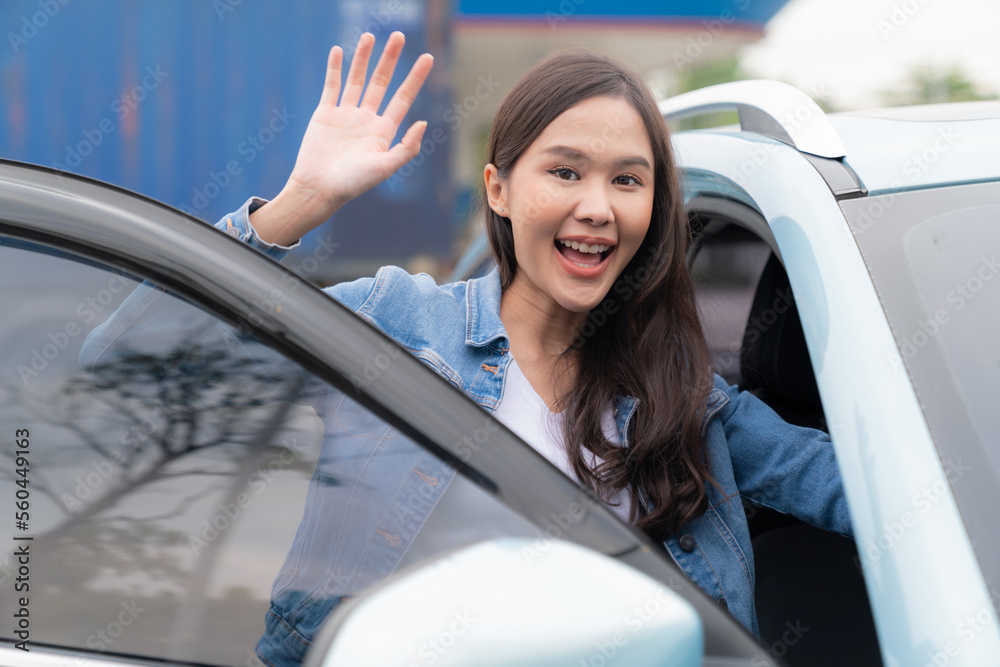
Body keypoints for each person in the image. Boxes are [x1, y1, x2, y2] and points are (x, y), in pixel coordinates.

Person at [84, 31, 851, 666]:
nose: (596, 206)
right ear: (499, 190)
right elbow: (123, 376)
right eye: (564, 171)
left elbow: (878, 493)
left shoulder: (686, 396)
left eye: (628, 180)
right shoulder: (399, 323)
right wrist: (297, 207)